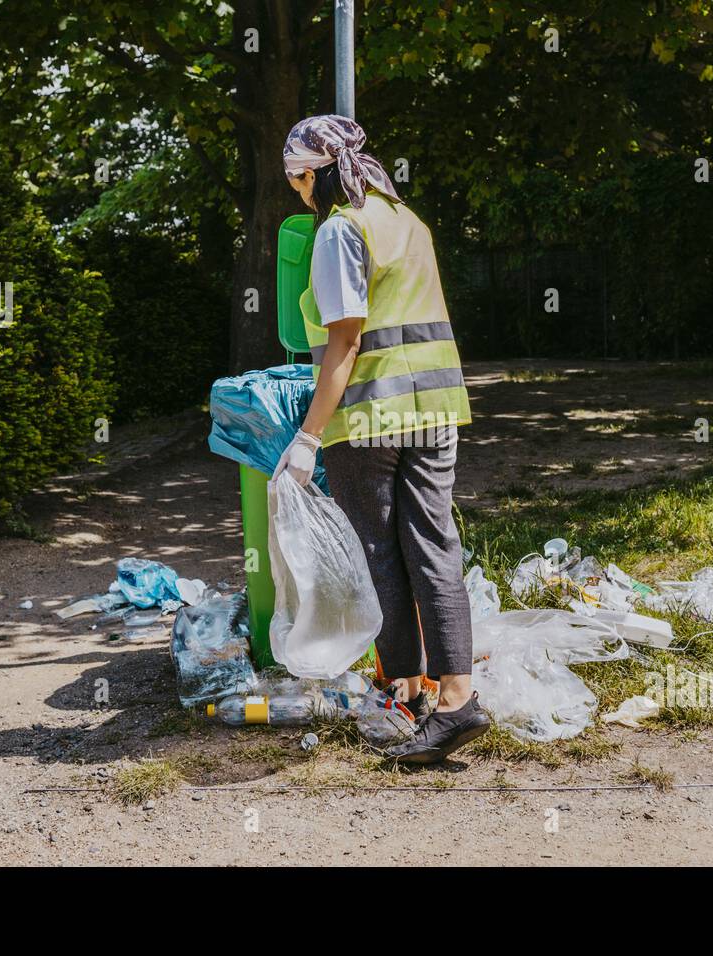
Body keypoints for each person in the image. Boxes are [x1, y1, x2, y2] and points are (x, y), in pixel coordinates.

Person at [274, 114, 489, 764]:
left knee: (380, 552)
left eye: (296, 181)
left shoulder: (341, 230)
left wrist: (308, 439)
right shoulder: (406, 220)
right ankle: (454, 696)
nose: (297, 192)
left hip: (370, 418)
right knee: (433, 546)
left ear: (312, 174)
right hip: (435, 406)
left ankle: (402, 689)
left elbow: (346, 339)